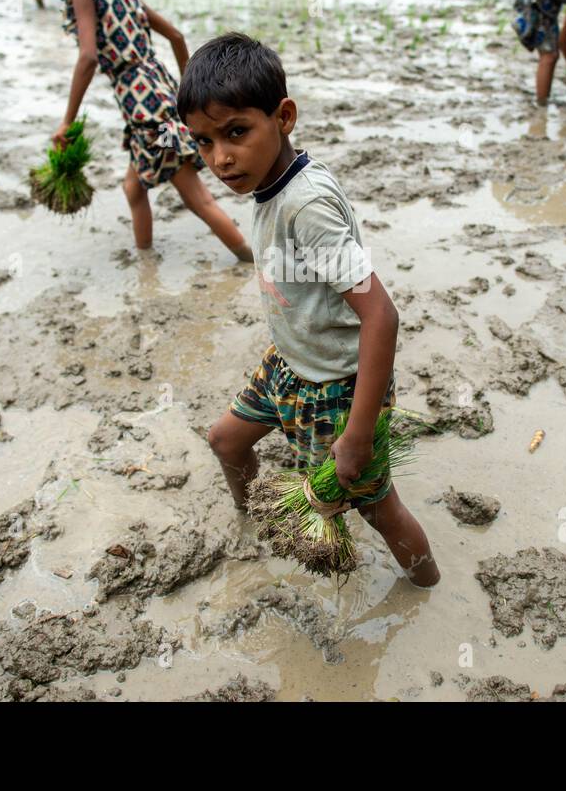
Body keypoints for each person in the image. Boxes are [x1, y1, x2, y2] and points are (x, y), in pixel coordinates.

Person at [180, 32, 440, 588]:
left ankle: (426, 586)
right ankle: (263, 521)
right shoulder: (273, 181)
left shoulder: (305, 206)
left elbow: (381, 316)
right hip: (290, 364)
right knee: (226, 440)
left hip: (337, 389)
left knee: (376, 506)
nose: (220, 158)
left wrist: (359, 434)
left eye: (235, 133)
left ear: (284, 117)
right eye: (203, 143)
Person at [34, 0, 252, 260]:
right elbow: (177, 36)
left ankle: (249, 258)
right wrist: (188, 88)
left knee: (196, 197)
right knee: (133, 187)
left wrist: (67, 121)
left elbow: (88, 57)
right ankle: (145, 262)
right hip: (159, 89)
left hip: (143, 103)